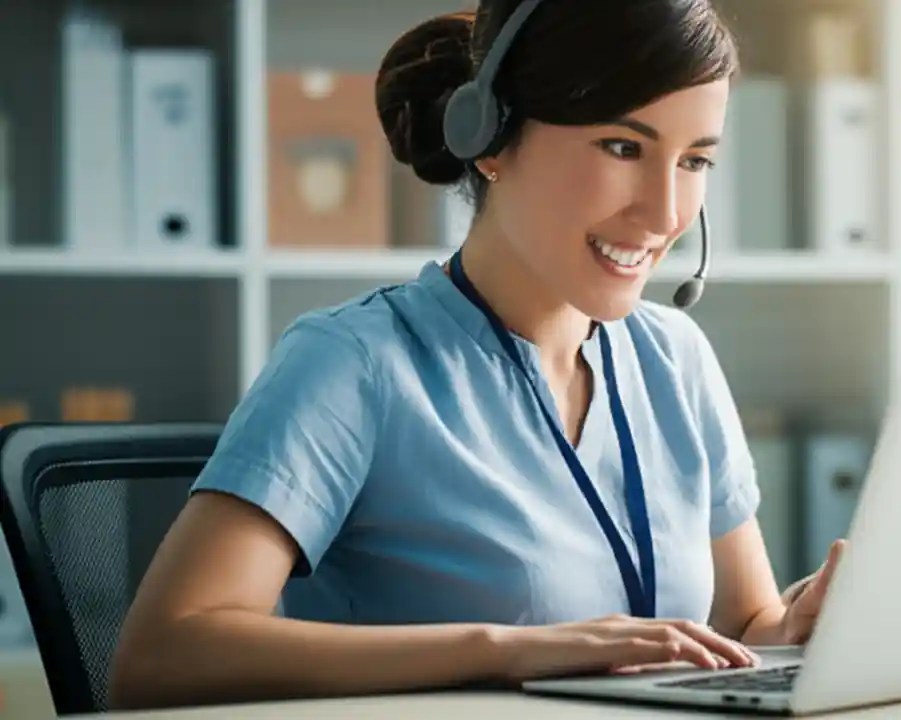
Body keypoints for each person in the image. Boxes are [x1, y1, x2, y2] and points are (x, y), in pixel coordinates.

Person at [108, 0, 845, 711]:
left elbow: (747, 626)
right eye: (623, 147)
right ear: (490, 140)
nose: (665, 213)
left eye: (694, 161)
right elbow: (162, 656)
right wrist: (507, 650)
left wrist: (802, 628)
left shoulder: (674, 357)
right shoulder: (354, 364)